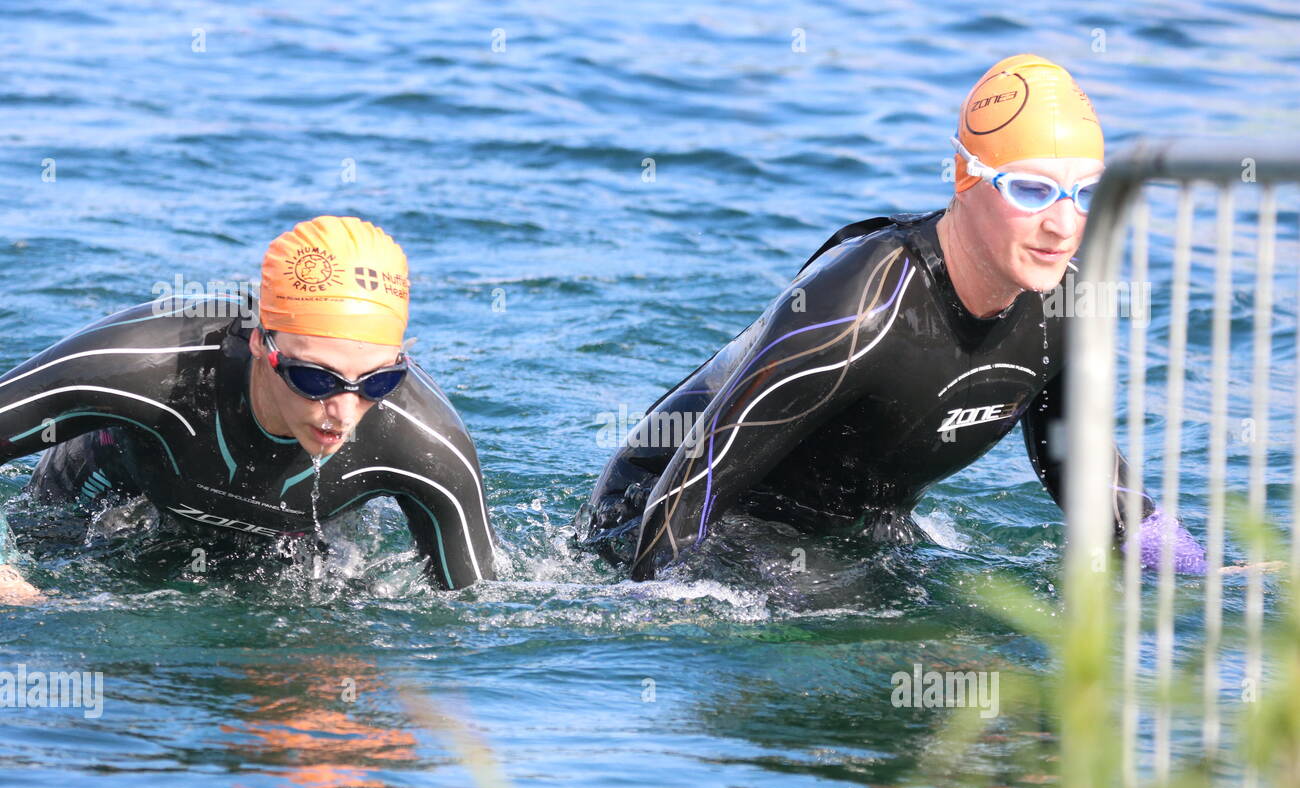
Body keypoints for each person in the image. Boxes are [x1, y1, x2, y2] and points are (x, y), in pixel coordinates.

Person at [577, 54, 1212, 582]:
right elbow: (693, 491)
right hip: (672, 511)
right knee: (903, 629)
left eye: (1084, 192)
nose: (1063, 224)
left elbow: (1086, 469)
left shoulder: (1063, 307)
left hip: (859, 528)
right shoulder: (862, 307)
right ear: (967, 179)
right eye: (1031, 190)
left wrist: (1196, 578)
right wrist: (650, 619)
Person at [0, 215, 494, 602]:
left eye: (378, 382)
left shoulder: (423, 443)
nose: (343, 411)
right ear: (261, 343)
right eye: (314, 378)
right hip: (104, 503)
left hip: (286, 549)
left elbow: (476, 611)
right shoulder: (145, 366)